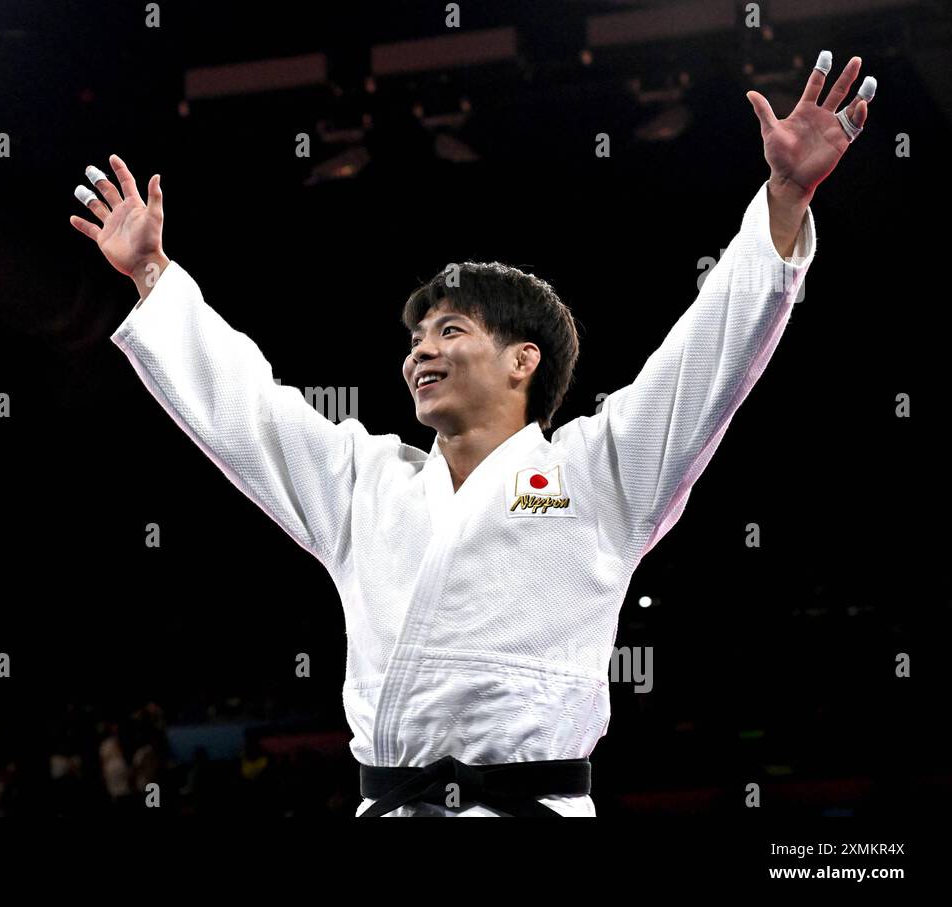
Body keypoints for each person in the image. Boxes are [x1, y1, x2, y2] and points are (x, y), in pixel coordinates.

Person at [69, 52, 874, 816]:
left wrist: (783, 202)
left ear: (524, 358)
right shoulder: (366, 482)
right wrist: (151, 277)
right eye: (416, 338)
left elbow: (706, 361)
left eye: (450, 329)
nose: (421, 350)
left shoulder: (599, 476)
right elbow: (245, 408)